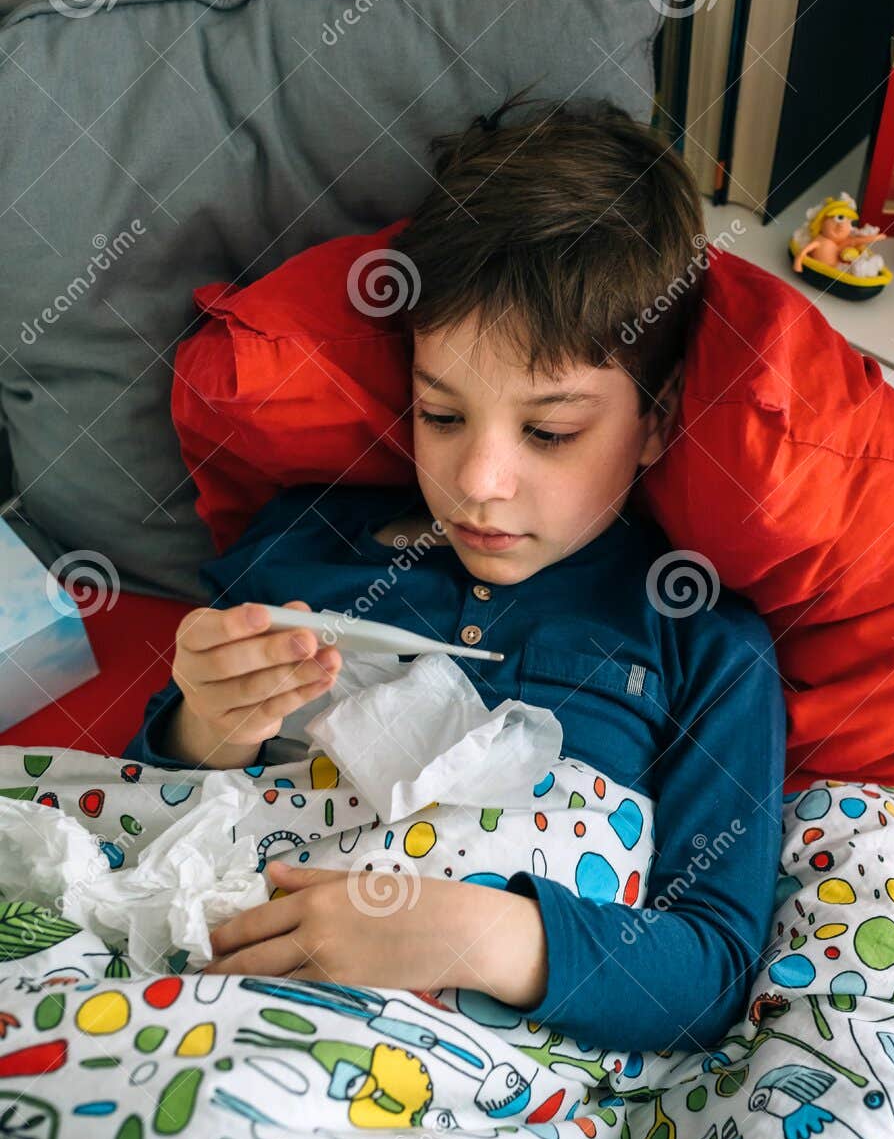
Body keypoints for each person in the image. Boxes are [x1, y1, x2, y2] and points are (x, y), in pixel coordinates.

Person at [124, 93, 786, 1053]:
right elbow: (154, 819)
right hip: (214, 1024)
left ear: (654, 418)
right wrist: (203, 727)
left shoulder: (698, 639)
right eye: (441, 415)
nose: (477, 484)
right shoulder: (305, 549)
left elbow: (713, 972)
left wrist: (477, 933)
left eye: (550, 431)